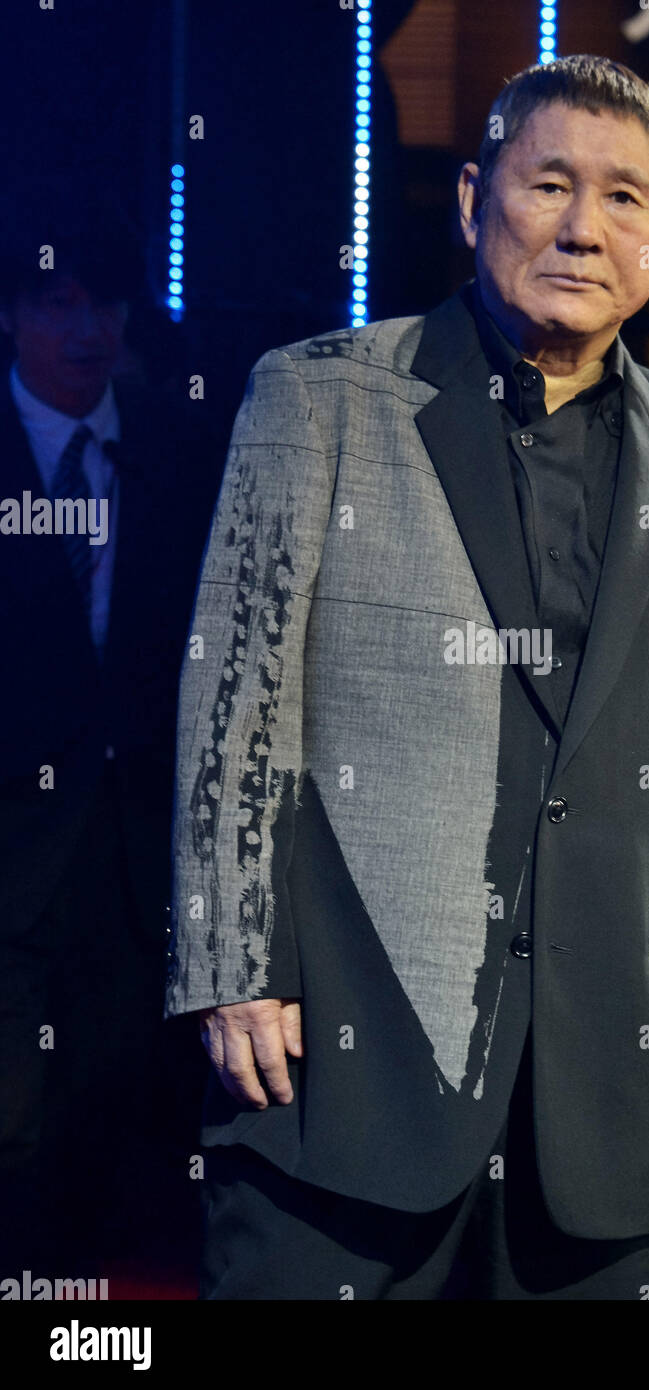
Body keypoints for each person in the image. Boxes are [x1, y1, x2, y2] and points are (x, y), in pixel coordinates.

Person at [167, 54, 649, 1301]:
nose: (579, 227)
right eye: (548, 183)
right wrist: (233, 964)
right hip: (343, 1067)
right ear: (469, 200)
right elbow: (236, 707)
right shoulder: (322, 395)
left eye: (621, 198)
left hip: (615, 1083)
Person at [0, 181, 220, 1277]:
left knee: (127, 1130)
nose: (85, 330)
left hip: (141, 852)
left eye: (106, 305)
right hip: (8, 850)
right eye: (56, 303)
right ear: (12, 313)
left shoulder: (183, 448)